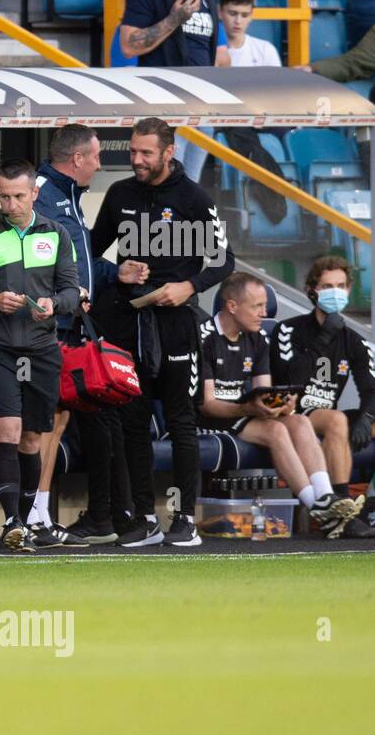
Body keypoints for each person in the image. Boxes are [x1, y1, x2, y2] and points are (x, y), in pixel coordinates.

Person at [91, 117, 235, 548]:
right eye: (133, 152)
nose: (136, 160)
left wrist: (187, 287)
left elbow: (224, 260)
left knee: (180, 420)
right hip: (130, 322)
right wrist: (118, 272)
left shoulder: (194, 198)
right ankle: (143, 517)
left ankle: (185, 518)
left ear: (168, 153)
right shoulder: (119, 195)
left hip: (176, 326)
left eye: (145, 153)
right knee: (133, 422)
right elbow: (92, 252)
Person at [29, 125, 147, 547]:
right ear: (77, 158)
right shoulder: (40, 193)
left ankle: (42, 515)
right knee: (40, 422)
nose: (100, 164)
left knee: (57, 419)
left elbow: (78, 265)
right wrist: (59, 299)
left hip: (68, 325)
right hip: (45, 327)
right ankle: (30, 516)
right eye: (96, 156)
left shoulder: (69, 198)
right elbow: (31, 263)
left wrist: (117, 273)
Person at [0, 159, 80, 554]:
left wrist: (53, 303)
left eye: (17, 196)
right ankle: (12, 520)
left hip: (42, 349)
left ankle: (26, 524)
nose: (9, 204)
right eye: (3, 196)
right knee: (5, 431)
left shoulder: (58, 233)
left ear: (34, 195)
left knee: (31, 437)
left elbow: (73, 292)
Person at [197, 272, 360, 538]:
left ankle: (327, 497)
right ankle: (317, 508)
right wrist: (249, 409)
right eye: (256, 306)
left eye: (265, 305)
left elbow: (264, 388)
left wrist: (281, 404)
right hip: (207, 419)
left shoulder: (257, 337)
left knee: (298, 420)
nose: (264, 313)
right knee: (276, 431)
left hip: (242, 413)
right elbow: (207, 405)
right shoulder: (203, 337)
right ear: (232, 306)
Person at [269, 256, 375, 537]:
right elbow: (290, 381)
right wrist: (323, 338)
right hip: (292, 411)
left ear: (350, 290)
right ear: (311, 291)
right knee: (337, 419)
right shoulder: (287, 330)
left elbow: (371, 388)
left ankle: (369, 508)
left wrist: (366, 417)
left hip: (326, 414)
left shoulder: (354, 340)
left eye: (341, 286)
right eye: (328, 286)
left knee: (355, 419)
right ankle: (342, 507)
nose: (336, 292)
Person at [119, 0, 229, 186]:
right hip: (166, 107)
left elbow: (212, 52)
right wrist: (174, 19)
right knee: (163, 183)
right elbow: (128, 45)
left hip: (201, 107)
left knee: (189, 185)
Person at [219, 0, 281, 68]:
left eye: (244, 15)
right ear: (219, 11)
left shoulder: (265, 50)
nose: (238, 21)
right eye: (232, 13)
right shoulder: (206, 50)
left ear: (251, 15)